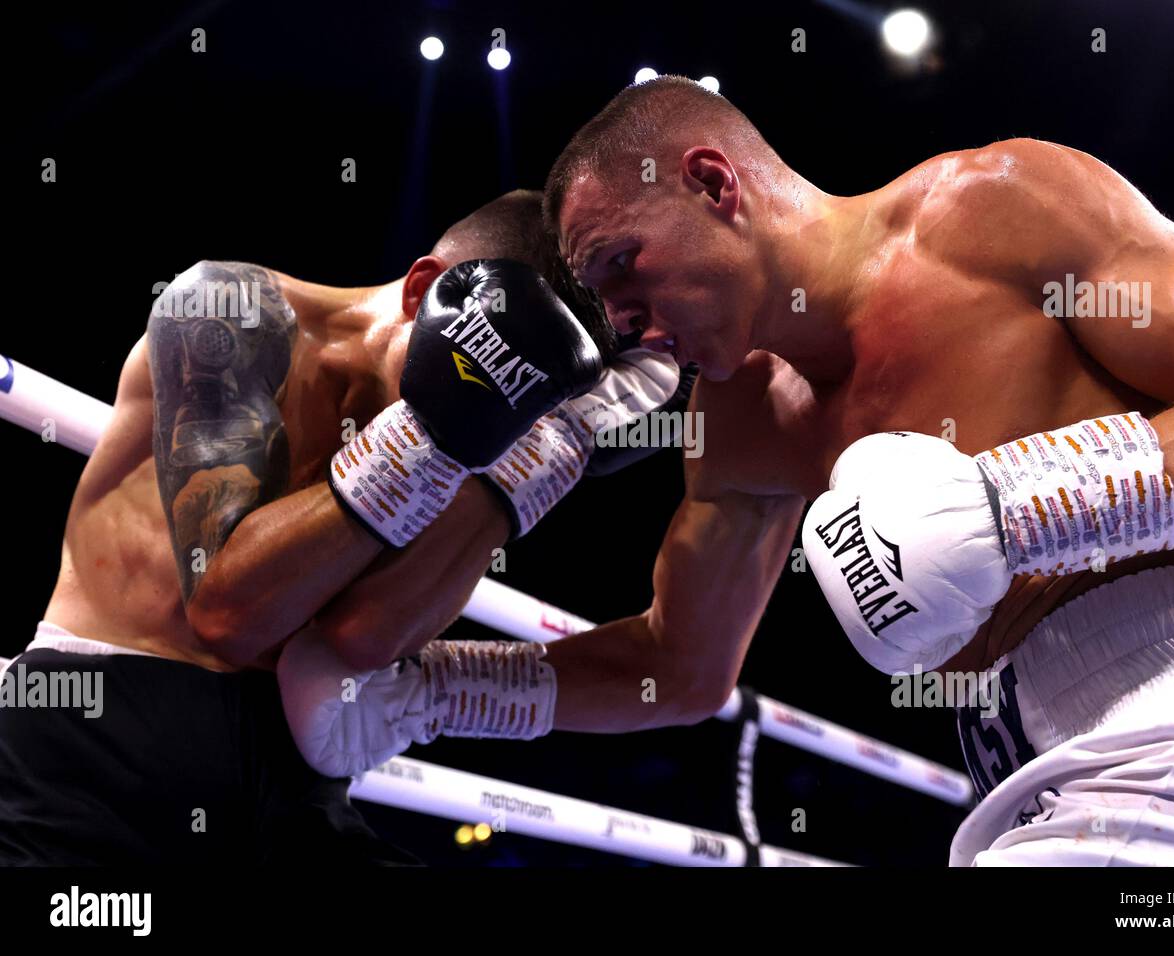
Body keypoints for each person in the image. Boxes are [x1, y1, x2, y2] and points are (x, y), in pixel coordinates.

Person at [356, 75, 1174, 865]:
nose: (622, 321)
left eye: (619, 265)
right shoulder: (741, 420)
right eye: (602, 301)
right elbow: (677, 669)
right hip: (1030, 781)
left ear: (712, 182)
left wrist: (1022, 505)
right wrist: (427, 690)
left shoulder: (990, 214)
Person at [0, 190, 686, 864]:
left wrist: (543, 455)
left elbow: (367, 637)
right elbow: (227, 614)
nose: (499, 429)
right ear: (425, 290)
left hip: (294, 787)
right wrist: (435, 431)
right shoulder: (232, 311)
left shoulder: (493, 442)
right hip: (97, 749)